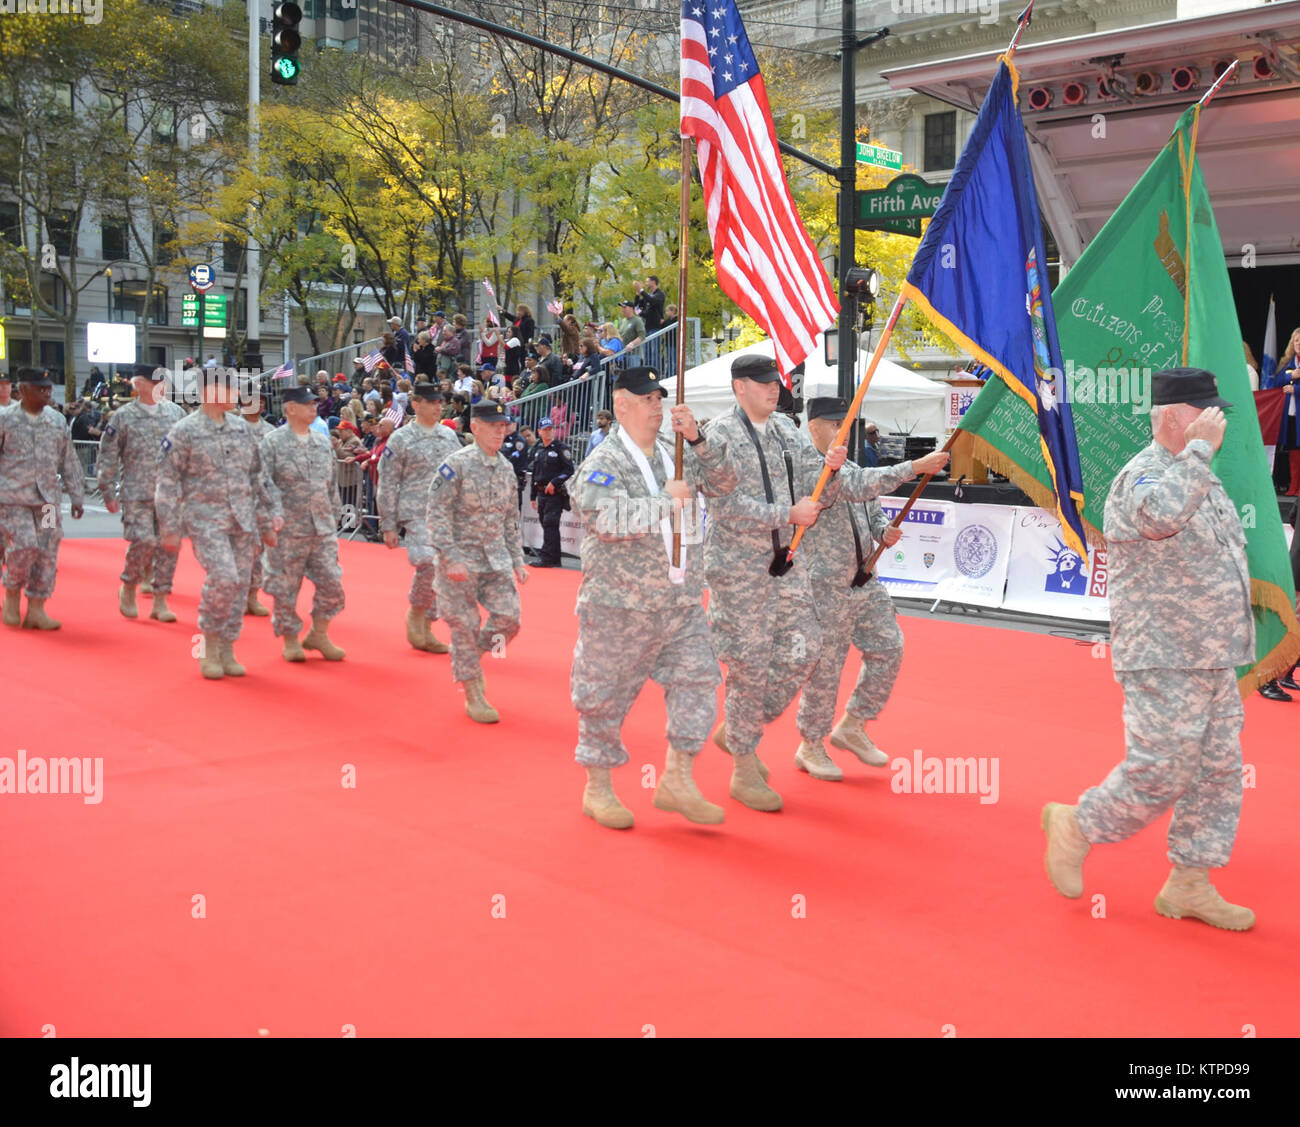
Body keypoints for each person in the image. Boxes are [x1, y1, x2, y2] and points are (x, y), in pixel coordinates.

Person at [1042, 368, 1256, 931]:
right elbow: (1158, 518)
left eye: (1217, 411)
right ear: (1171, 417)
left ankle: (1190, 883)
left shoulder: (1200, 475)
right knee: (1162, 767)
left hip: (1211, 653)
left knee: (1217, 771)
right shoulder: (1142, 476)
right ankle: (1077, 824)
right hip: (1162, 653)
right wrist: (1200, 454)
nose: (1217, 420)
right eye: (1204, 411)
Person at [569, 366, 739, 828]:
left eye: (659, 398)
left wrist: (699, 439)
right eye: (646, 399)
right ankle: (597, 786)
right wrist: (667, 501)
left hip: (680, 602)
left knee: (699, 683)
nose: (657, 406)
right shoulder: (605, 461)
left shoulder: (675, 453)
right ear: (621, 404)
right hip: (621, 606)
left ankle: (677, 778)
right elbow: (604, 520)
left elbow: (725, 484)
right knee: (604, 697)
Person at [701, 353, 846, 812]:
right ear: (740, 387)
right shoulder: (718, 435)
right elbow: (723, 506)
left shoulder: (786, 430)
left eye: (775, 383)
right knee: (749, 665)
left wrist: (833, 468)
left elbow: (818, 489)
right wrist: (786, 514)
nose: (773, 390)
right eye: (762, 383)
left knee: (807, 646)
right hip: (739, 569)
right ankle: (744, 770)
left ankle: (740, 728)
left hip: (786, 563)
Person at [792, 397, 950, 779]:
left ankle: (853, 724)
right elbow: (856, 486)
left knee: (889, 647)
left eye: (846, 426)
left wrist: (883, 532)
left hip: (866, 579)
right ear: (815, 427)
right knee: (825, 668)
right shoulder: (807, 468)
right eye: (836, 426)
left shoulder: (848, 465)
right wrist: (914, 466)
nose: (843, 433)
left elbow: (871, 506)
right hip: (826, 586)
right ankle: (810, 745)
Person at [155, 367, 283, 679]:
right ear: (211, 391)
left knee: (239, 584)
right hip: (204, 518)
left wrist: (268, 519)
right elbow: (167, 482)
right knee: (224, 577)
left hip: (242, 519)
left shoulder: (242, 429)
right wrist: (169, 526)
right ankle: (208, 645)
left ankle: (228, 645)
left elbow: (258, 477)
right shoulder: (184, 431)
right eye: (231, 389)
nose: (238, 394)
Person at [426, 400, 528, 724]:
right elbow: (437, 513)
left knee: (509, 619)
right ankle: (473, 694)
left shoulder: (506, 469)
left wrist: (518, 560)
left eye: (504, 426)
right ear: (475, 428)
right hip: (460, 563)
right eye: (494, 425)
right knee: (465, 627)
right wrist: (450, 557)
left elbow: (511, 518)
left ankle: (474, 654)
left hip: (495, 559)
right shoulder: (454, 465)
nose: (501, 431)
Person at [259, 386, 346, 663]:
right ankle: (290, 639)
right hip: (288, 527)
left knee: (332, 584)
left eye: (314, 404)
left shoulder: (322, 442)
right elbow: (262, 483)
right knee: (286, 587)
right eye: (307, 404)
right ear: (290, 408)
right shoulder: (272, 443)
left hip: (321, 527)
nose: (313, 408)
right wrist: (270, 517)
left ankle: (318, 633)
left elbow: (330, 483)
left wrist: (335, 515)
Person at [377, 383, 462, 653]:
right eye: (432, 402)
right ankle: (417, 612)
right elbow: (387, 482)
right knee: (428, 560)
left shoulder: (449, 436)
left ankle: (426, 625)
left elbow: (461, 472)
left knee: (444, 567)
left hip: (446, 513)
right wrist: (388, 524)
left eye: (440, 402)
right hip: (415, 512)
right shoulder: (401, 438)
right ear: (416, 403)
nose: (439, 407)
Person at [97, 364, 186, 622]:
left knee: (169, 546)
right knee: (144, 541)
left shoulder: (175, 413)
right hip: (136, 491)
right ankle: (128, 585)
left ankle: (160, 600)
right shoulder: (123, 416)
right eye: (154, 381)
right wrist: (107, 491)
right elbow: (108, 455)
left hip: (169, 492)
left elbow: (188, 451)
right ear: (139, 384)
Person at [0, 368, 85, 630]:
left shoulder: (57, 420)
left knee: (48, 549)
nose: (47, 392)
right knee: (25, 545)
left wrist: (77, 494)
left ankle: (37, 607)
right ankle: (12, 594)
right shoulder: (5, 419)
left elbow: (68, 460)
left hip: (47, 502)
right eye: (40, 389)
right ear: (23, 390)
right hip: (15, 498)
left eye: (48, 388)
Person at [237, 390, 274, 616]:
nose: (258, 404)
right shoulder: (230, 427)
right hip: (236, 496)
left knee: (259, 549)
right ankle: (237, 594)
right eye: (253, 400)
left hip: (262, 498)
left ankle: (252, 594)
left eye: (262, 401)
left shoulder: (270, 432)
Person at [529, 417, 573, 567]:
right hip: (541, 493)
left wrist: (554, 482)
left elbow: (569, 469)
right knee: (545, 524)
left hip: (555, 494)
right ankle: (554, 558)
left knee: (550, 524)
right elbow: (535, 473)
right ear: (539, 431)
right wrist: (532, 496)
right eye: (545, 430)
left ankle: (547, 557)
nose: (548, 432)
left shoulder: (561, 448)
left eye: (550, 429)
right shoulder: (538, 449)